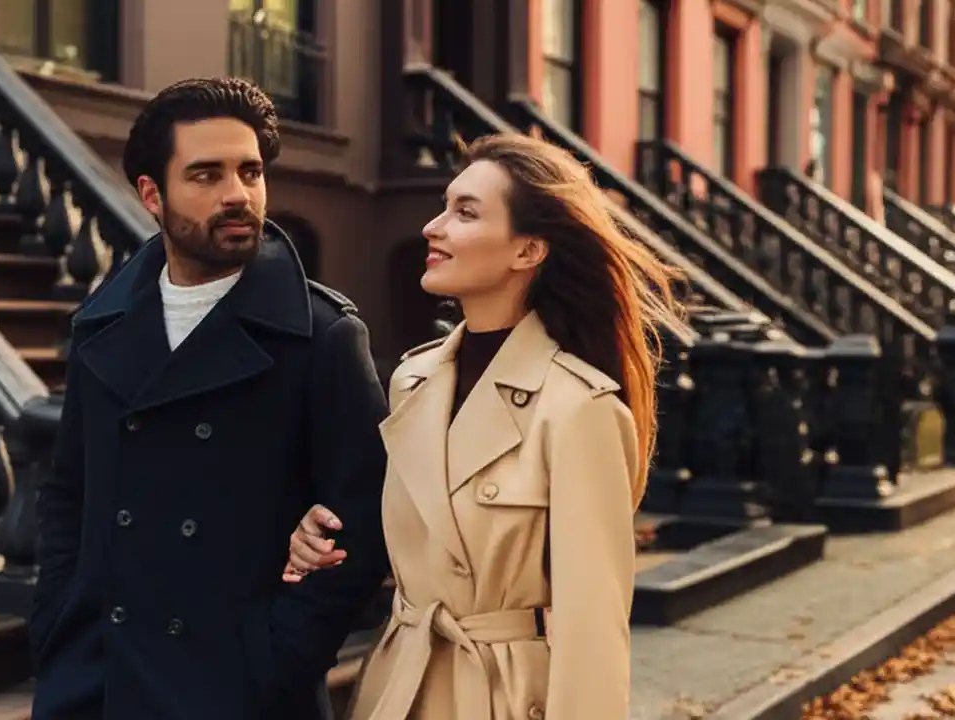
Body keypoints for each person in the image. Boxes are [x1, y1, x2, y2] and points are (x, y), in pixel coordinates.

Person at [283, 132, 688, 719]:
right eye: (444, 206)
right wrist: (311, 537)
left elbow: (594, 630)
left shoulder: (579, 410)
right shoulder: (414, 380)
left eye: (465, 213)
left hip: (504, 696)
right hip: (400, 686)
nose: (433, 227)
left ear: (528, 251)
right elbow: (397, 535)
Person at [30, 77, 391, 720]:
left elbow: (358, 533)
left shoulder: (322, 337)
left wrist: (275, 663)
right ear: (151, 195)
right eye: (205, 175)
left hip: (240, 694)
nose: (237, 195)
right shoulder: (100, 329)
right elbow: (69, 497)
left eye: (250, 171)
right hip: (100, 685)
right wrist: (58, 629)